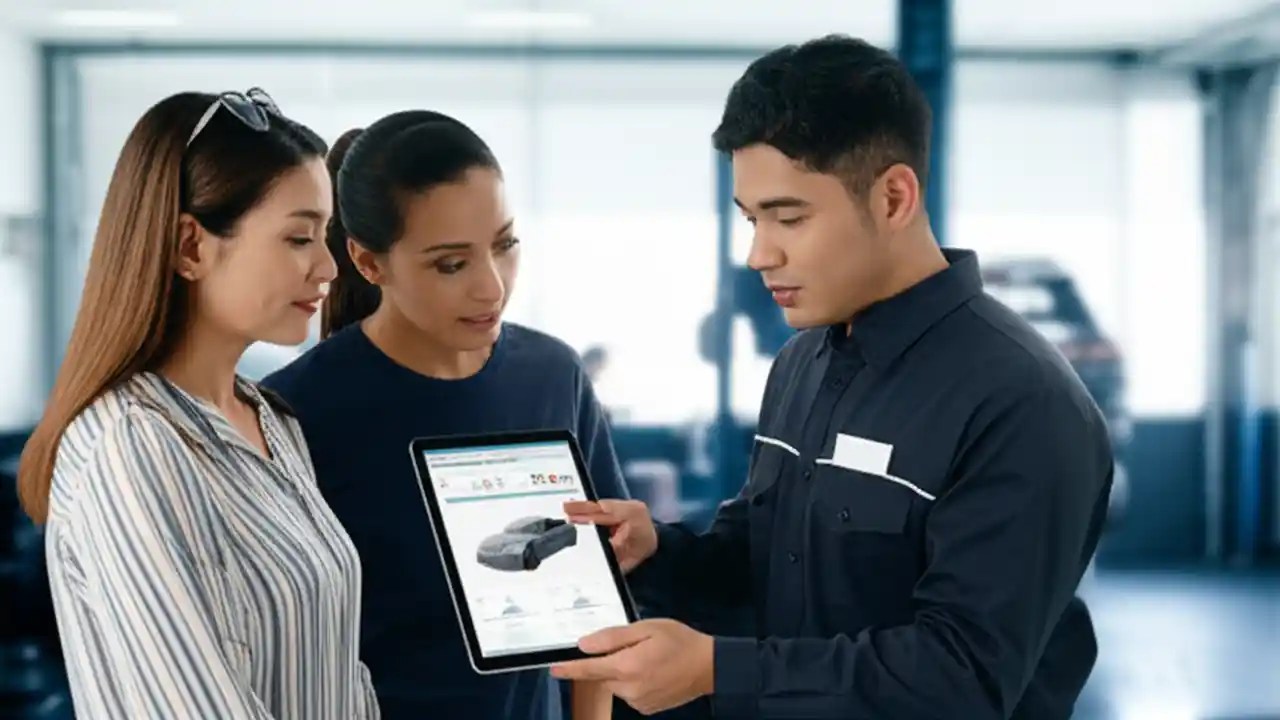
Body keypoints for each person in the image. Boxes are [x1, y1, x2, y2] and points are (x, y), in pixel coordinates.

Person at [554, 35, 1113, 720]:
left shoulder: (1022, 402)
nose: (761, 253)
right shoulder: (802, 363)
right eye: (753, 218)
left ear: (894, 197)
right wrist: (658, 553)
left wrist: (715, 669)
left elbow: (963, 675)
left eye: (789, 217)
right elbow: (765, 555)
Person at [16, 89, 379, 719]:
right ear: (190, 246)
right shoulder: (134, 444)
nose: (327, 266)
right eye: (299, 238)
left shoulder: (271, 422)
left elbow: (343, 679)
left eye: (326, 236)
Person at [261, 111, 629, 720]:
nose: (492, 288)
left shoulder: (551, 375)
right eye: (451, 264)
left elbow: (600, 606)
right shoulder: (293, 412)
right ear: (369, 263)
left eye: (505, 245)